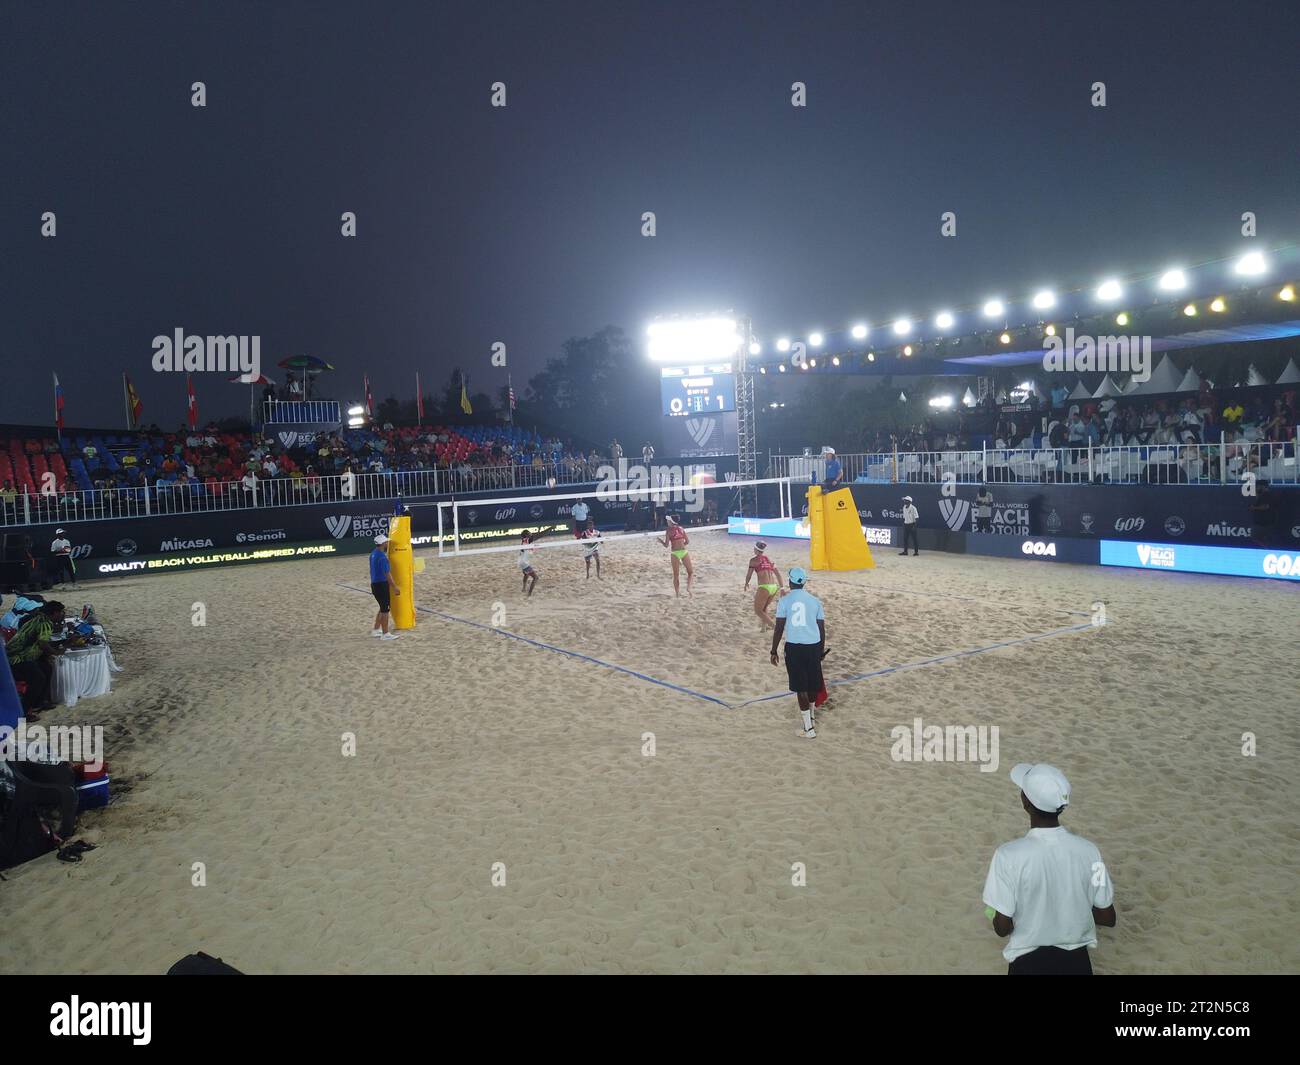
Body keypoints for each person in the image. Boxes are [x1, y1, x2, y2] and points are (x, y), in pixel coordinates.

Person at [983, 763, 1117, 975]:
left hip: (1027, 966)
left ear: (1025, 802)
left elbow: (1002, 928)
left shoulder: (1007, 856)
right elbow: (1107, 917)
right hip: (1077, 964)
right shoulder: (1091, 852)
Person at [770, 568, 825, 739]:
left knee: (800, 687)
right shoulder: (815, 601)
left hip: (794, 647)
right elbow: (821, 628)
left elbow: (779, 627)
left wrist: (773, 650)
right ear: (804, 582)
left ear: (791, 581)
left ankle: (808, 729)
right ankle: (812, 717)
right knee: (813, 684)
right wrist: (821, 650)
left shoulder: (785, 601)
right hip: (813, 645)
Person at [5, 601, 81, 717]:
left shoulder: (40, 618)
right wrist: (57, 652)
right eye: (61, 612)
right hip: (17, 659)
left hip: (22, 656)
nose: (63, 615)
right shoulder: (45, 623)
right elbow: (43, 644)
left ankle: (40, 702)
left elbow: (40, 642)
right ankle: (24, 712)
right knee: (37, 678)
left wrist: (64, 643)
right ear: (55, 613)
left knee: (47, 668)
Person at [743, 541, 783, 629]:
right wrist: (782, 588)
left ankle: (775, 627)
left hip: (764, 587)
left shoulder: (753, 560)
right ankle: (763, 628)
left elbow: (749, 575)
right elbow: (778, 575)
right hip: (774, 587)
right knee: (764, 608)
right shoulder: (769, 560)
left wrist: (746, 583)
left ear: (755, 550)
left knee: (758, 611)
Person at [368, 534, 400, 640]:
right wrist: (394, 586)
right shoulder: (382, 557)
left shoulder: (373, 554)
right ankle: (385, 634)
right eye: (386, 542)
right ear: (382, 543)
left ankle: (376, 629)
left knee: (382, 607)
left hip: (374, 584)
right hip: (381, 584)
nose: (387, 543)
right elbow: (387, 574)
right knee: (385, 609)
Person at [659, 514, 693, 597]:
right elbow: (687, 541)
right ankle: (688, 588)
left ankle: (677, 594)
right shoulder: (681, 529)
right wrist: (682, 545)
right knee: (690, 572)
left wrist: (660, 541)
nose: (667, 521)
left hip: (675, 553)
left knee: (676, 575)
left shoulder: (668, 531)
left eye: (668, 520)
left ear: (671, 521)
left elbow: (666, 545)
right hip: (683, 552)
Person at [518, 529, 546, 596]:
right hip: (524, 563)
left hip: (521, 561)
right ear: (526, 535)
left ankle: (524, 588)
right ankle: (529, 594)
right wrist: (549, 529)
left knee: (526, 574)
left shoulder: (524, 541)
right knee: (535, 578)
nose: (531, 533)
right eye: (529, 533)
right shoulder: (527, 540)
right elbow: (539, 535)